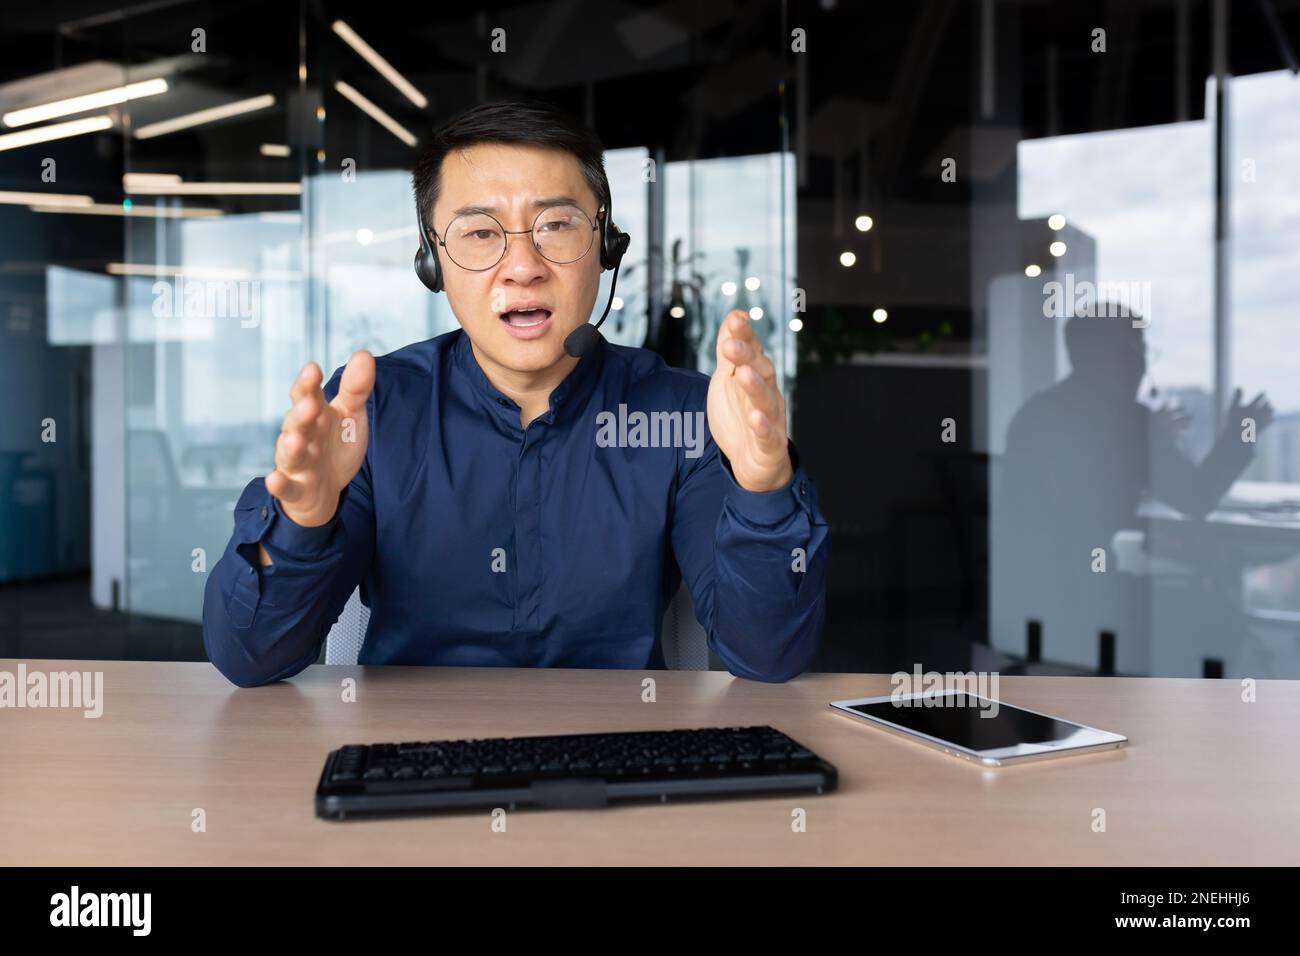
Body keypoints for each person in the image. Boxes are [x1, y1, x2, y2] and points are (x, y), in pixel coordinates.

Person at [202, 99, 828, 688]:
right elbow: (251, 659)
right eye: (480, 233)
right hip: (409, 767)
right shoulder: (373, 409)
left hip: (621, 762)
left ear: (605, 246)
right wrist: (304, 522)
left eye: (556, 225)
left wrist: (764, 486)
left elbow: (768, 655)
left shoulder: (683, 414)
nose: (523, 265)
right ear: (432, 260)